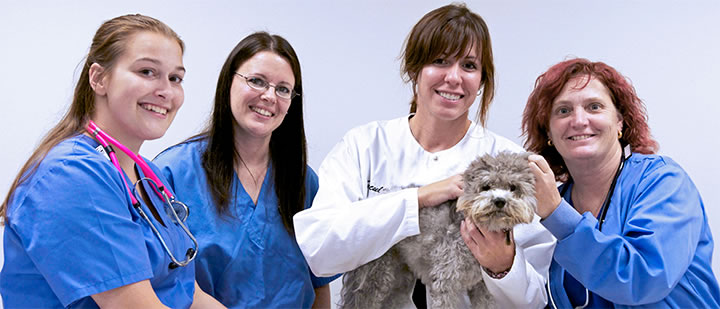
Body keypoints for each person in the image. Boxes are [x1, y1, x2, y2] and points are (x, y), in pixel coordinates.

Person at [293, 3, 555, 308]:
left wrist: (502, 265)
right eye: (440, 60)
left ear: (482, 80)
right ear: (414, 69)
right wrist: (416, 199)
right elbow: (320, 250)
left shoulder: (508, 161)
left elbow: (537, 297)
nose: (454, 77)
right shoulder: (365, 145)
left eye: (469, 65)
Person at [0, 14, 224, 308]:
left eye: (175, 78)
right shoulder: (70, 176)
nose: (166, 90)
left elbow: (190, 295)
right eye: (146, 71)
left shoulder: (148, 175)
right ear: (99, 78)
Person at [153, 31, 338, 308]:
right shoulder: (173, 173)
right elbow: (158, 282)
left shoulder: (303, 182)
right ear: (229, 81)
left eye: (283, 89)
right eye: (256, 81)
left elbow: (319, 285)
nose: (269, 96)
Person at [523, 58, 720, 308]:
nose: (579, 120)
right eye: (563, 110)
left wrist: (557, 215)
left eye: (594, 107)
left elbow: (643, 278)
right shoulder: (550, 202)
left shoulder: (663, 181)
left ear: (620, 122)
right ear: (548, 133)